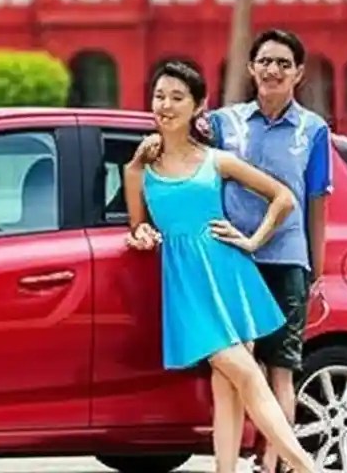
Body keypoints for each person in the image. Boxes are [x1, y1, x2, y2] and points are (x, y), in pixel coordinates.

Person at [131, 29, 333, 473]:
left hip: (266, 261)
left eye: (283, 63)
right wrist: (141, 232)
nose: (166, 105)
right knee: (233, 379)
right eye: (265, 61)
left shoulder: (313, 129)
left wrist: (309, 267)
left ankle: (286, 467)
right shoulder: (223, 124)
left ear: (299, 72)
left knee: (271, 372)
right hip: (208, 272)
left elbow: (312, 200)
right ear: (250, 67)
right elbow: (138, 219)